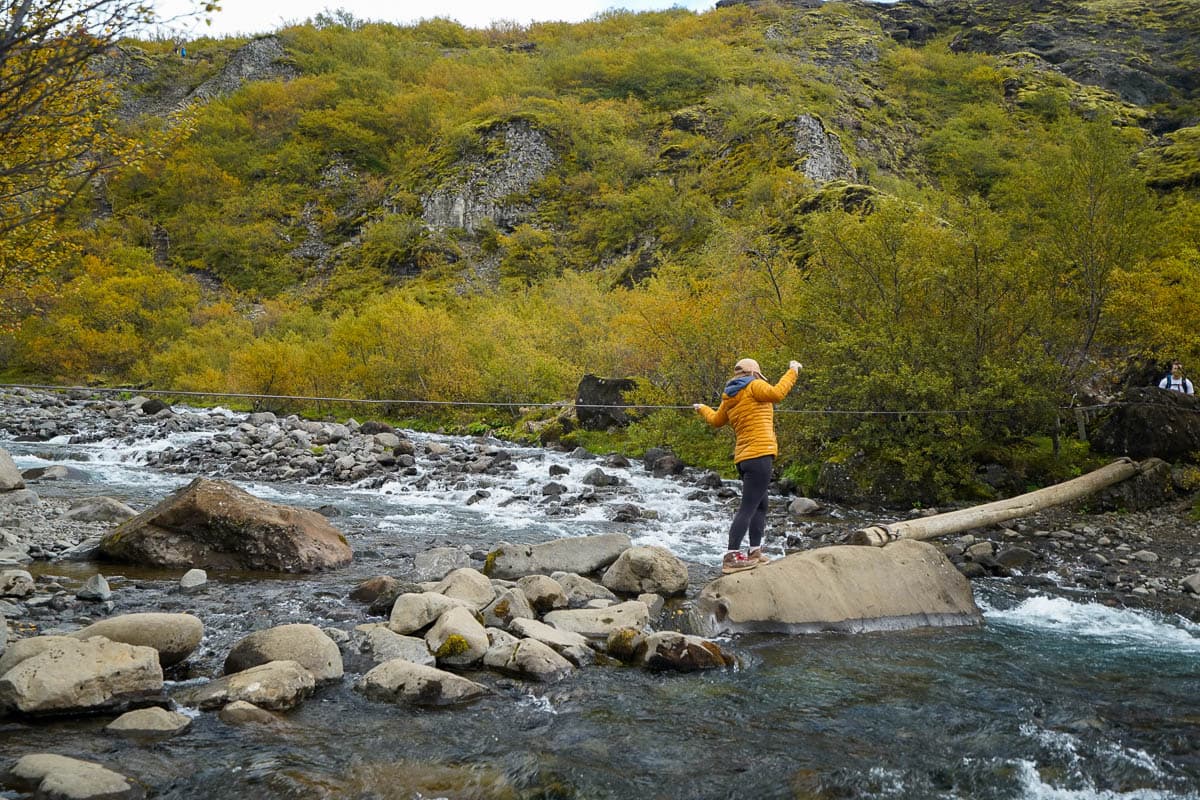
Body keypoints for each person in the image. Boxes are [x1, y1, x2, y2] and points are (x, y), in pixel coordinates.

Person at [694, 357, 801, 574]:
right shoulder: (754, 385)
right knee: (748, 508)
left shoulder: (730, 395)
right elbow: (778, 394)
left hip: (744, 459)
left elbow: (716, 420)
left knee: (760, 506)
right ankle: (731, 556)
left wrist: (702, 408)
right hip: (760, 455)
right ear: (755, 373)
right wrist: (793, 371)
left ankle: (755, 552)